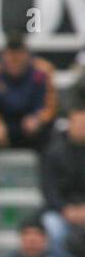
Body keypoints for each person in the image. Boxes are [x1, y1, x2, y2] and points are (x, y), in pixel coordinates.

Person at [0, 32, 57, 152]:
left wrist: (37, 118)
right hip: (1, 125)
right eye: (11, 58)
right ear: (4, 55)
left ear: (27, 55)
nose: (15, 62)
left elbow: (50, 106)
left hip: (30, 127)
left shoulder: (42, 72)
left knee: (50, 135)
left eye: (19, 58)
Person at [41, 94, 85, 247]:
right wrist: (65, 209)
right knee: (52, 227)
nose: (81, 127)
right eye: (78, 123)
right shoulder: (54, 151)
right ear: (69, 124)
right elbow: (48, 189)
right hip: (61, 210)